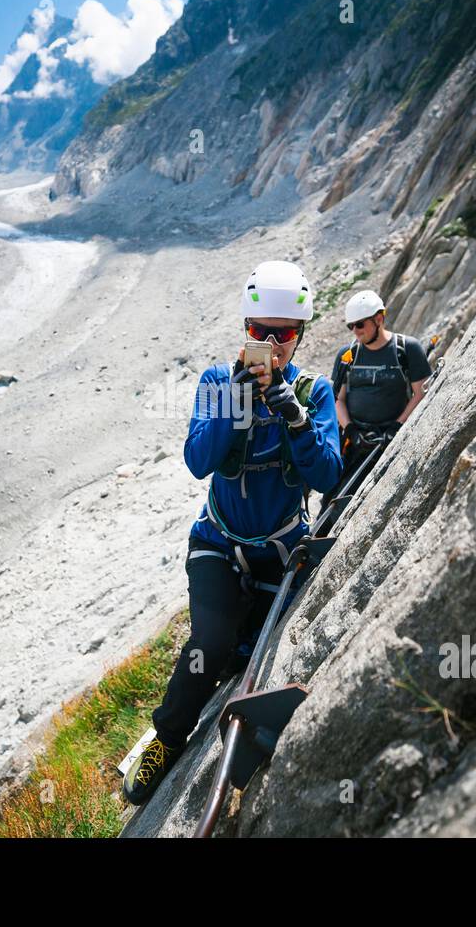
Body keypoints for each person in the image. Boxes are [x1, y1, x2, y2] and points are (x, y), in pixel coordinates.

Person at [123, 260, 342, 806]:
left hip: (280, 547)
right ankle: (167, 739)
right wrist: (236, 404)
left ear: (299, 335)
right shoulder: (219, 381)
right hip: (218, 545)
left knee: (247, 653)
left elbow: (328, 474)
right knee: (211, 643)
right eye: (259, 332)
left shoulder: (313, 392)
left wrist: (293, 418)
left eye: (284, 334)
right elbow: (198, 460)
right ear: (246, 329)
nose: (271, 344)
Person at [330, 290, 431, 487]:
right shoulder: (347, 354)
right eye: (351, 326)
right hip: (357, 443)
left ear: (378, 319)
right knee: (335, 501)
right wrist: (351, 430)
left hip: (395, 440)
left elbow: (421, 392)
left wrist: (397, 427)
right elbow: (337, 399)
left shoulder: (407, 348)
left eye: (360, 324)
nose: (355, 331)